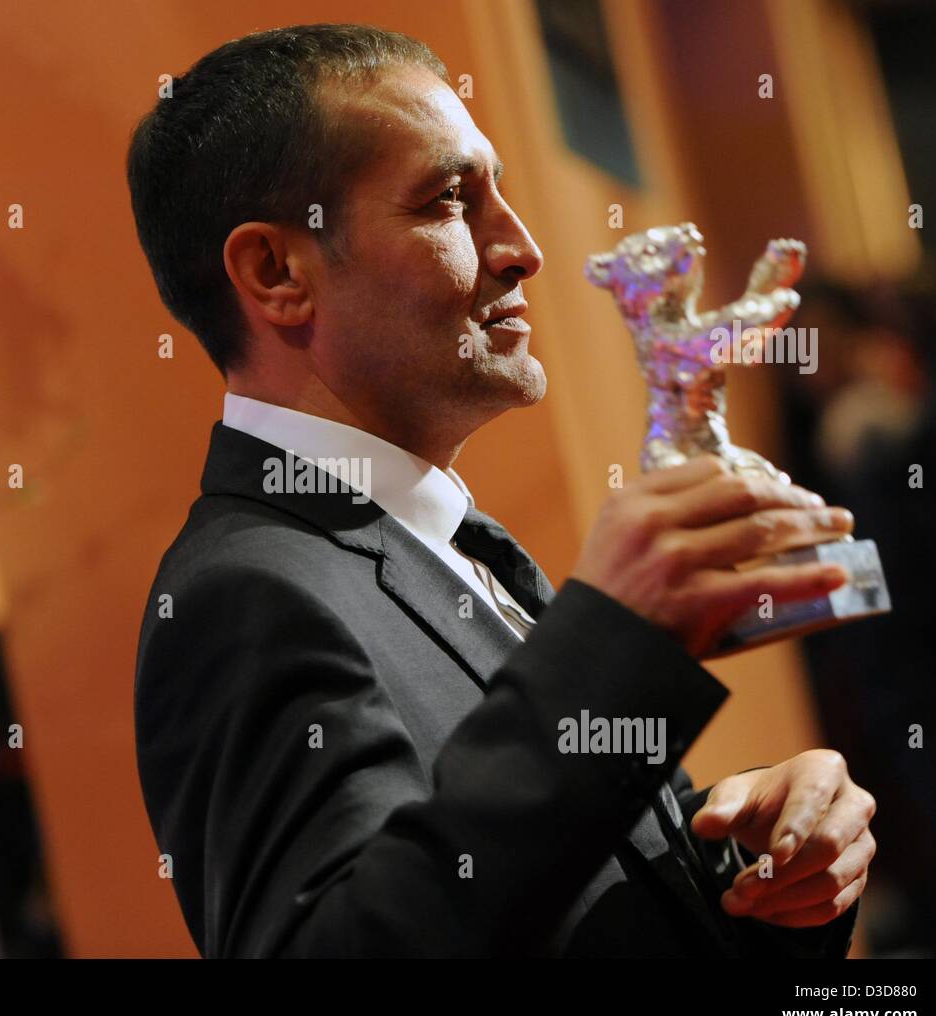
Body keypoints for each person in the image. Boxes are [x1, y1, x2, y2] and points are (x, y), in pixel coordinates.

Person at [127, 23, 875, 958]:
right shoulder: (243, 594)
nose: (521, 248)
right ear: (278, 273)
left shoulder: (443, 539)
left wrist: (762, 862)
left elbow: (563, 874)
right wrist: (613, 642)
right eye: (448, 200)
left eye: (501, 193)